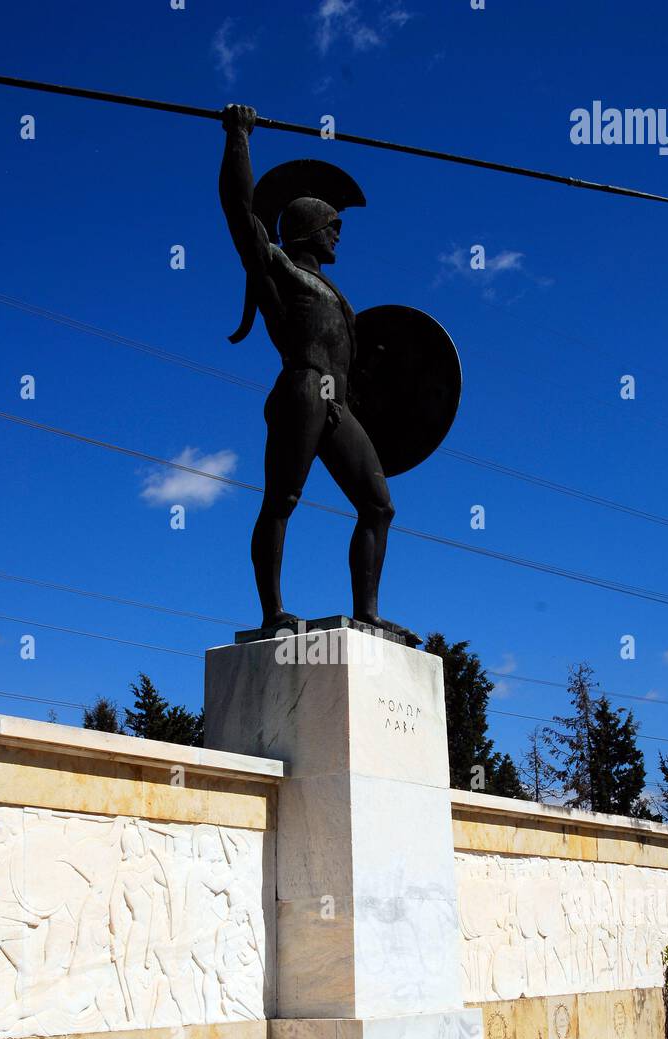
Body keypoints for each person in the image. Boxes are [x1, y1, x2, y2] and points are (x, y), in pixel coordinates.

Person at [219, 102, 417, 643]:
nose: (338, 236)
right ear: (307, 229)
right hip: (302, 388)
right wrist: (238, 136)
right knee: (282, 500)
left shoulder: (337, 295)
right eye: (332, 226)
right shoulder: (279, 267)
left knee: (379, 506)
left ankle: (368, 615)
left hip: (337, 401)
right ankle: (274, 614)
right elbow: (240, 214)